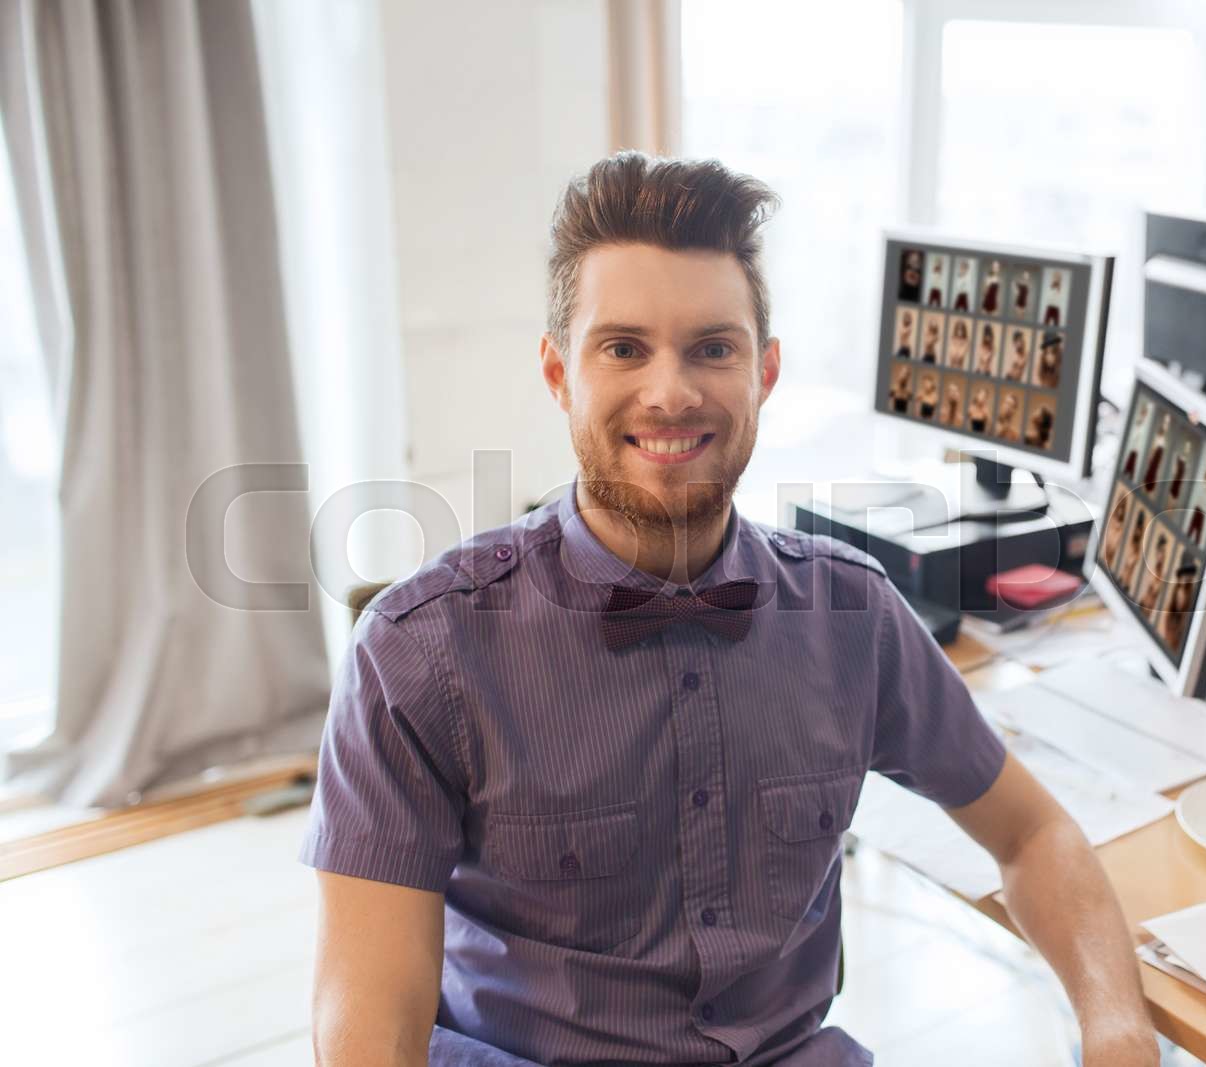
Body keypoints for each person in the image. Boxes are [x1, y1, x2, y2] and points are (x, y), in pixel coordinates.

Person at [299, 152, 1158, 1067]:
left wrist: (1118, 1026)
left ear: (765, 372)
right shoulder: (419, 653)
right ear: (558, 374)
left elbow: (1033, 832)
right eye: (623, 348)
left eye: (713, 347)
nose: (671, 393)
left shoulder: (853, 614)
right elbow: (368, 1036)